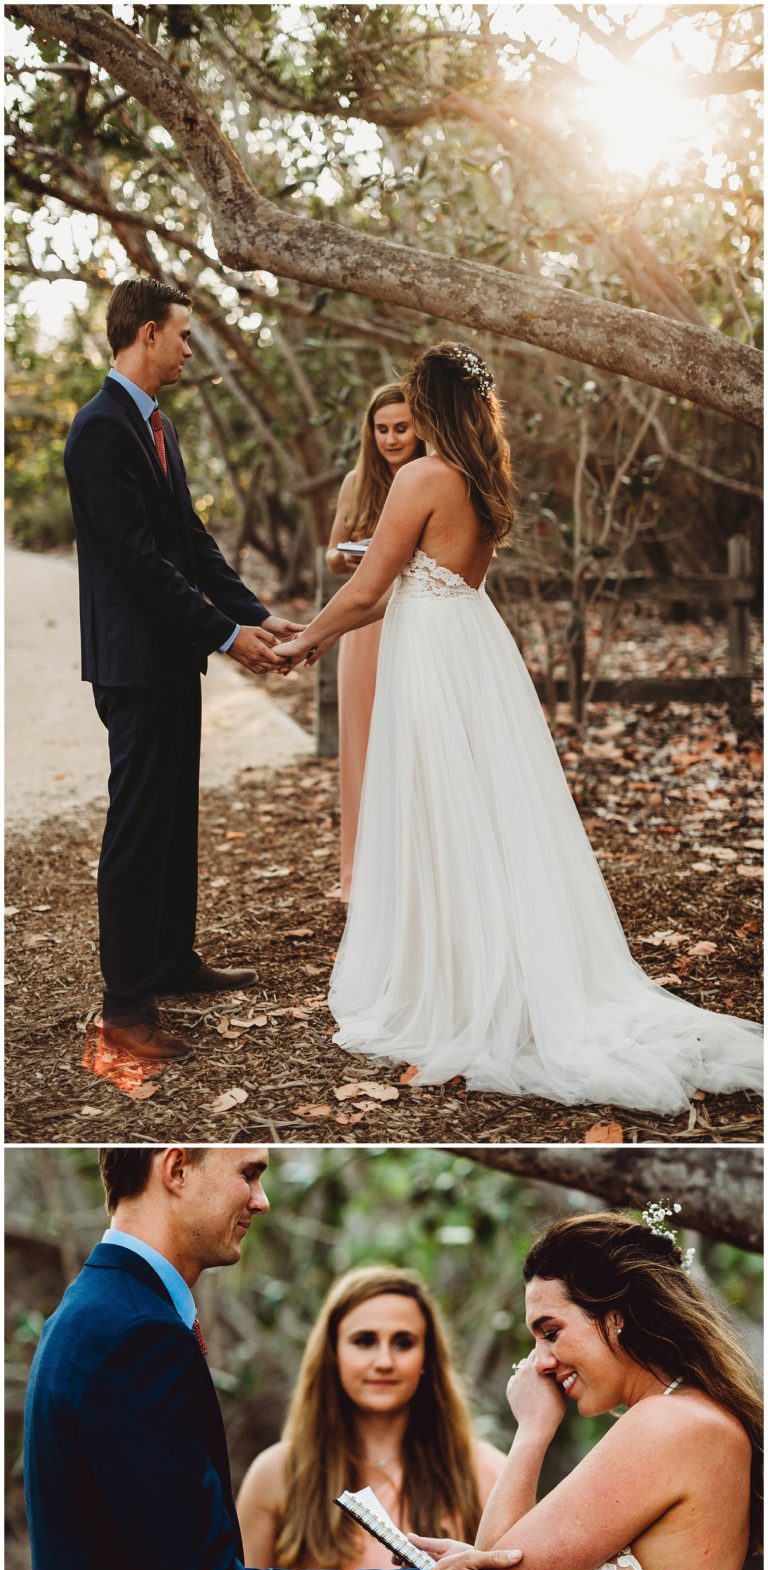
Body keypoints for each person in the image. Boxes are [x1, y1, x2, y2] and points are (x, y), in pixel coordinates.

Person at [276, 342, 762, 1114]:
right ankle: (493, 957)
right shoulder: (483, 478)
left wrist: (306, 638)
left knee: (439, 809)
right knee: (488, 812)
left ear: (430, 405)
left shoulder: (420, 477)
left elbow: (369, 590)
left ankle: (461, 981)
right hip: (474, 645)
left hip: (433, 653)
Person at [22, 1146, 548, 1570]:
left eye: (404, 1343)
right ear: (177, 1168)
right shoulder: (139, 1335)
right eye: (249, 1173)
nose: (261, 1199)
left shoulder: (92, 1312)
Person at [63, 275, 301, 1066]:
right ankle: (124, 1007)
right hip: (134, 661)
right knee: (136, 827)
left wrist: (257, 613)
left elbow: (191, 543)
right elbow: (136, 562)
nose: (192, 348)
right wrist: (228, 636)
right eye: (184, 334)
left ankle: (170, 959)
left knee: (171, 818)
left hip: (170, 655)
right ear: (146, 335)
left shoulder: (156, 426)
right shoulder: (100, 429)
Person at [419, 1210, 762, 1570]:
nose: (539, 1361)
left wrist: (532, 1430)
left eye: (551, 1332)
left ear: (616, 1317)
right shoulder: (698, 1419)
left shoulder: (667, 1425)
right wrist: (472, 1559)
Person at [236, 1265, 507, 1570]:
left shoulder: (487, 1470)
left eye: (403, 1342)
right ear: (333, 1354)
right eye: (364, 1341)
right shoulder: (276, 1474)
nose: (384, 1361)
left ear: (427, 1356)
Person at [325, 385, 423, 898]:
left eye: (401, 428)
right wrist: (345, 558)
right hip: (362, 628)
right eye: (381, 429)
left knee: (414, 744)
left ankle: (415, 870)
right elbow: (330, 555)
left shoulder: (431, 480)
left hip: (413, 618)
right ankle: (361, 877)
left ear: (421, 427)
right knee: (361, 745)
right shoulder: (355, 484)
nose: (390, 438)